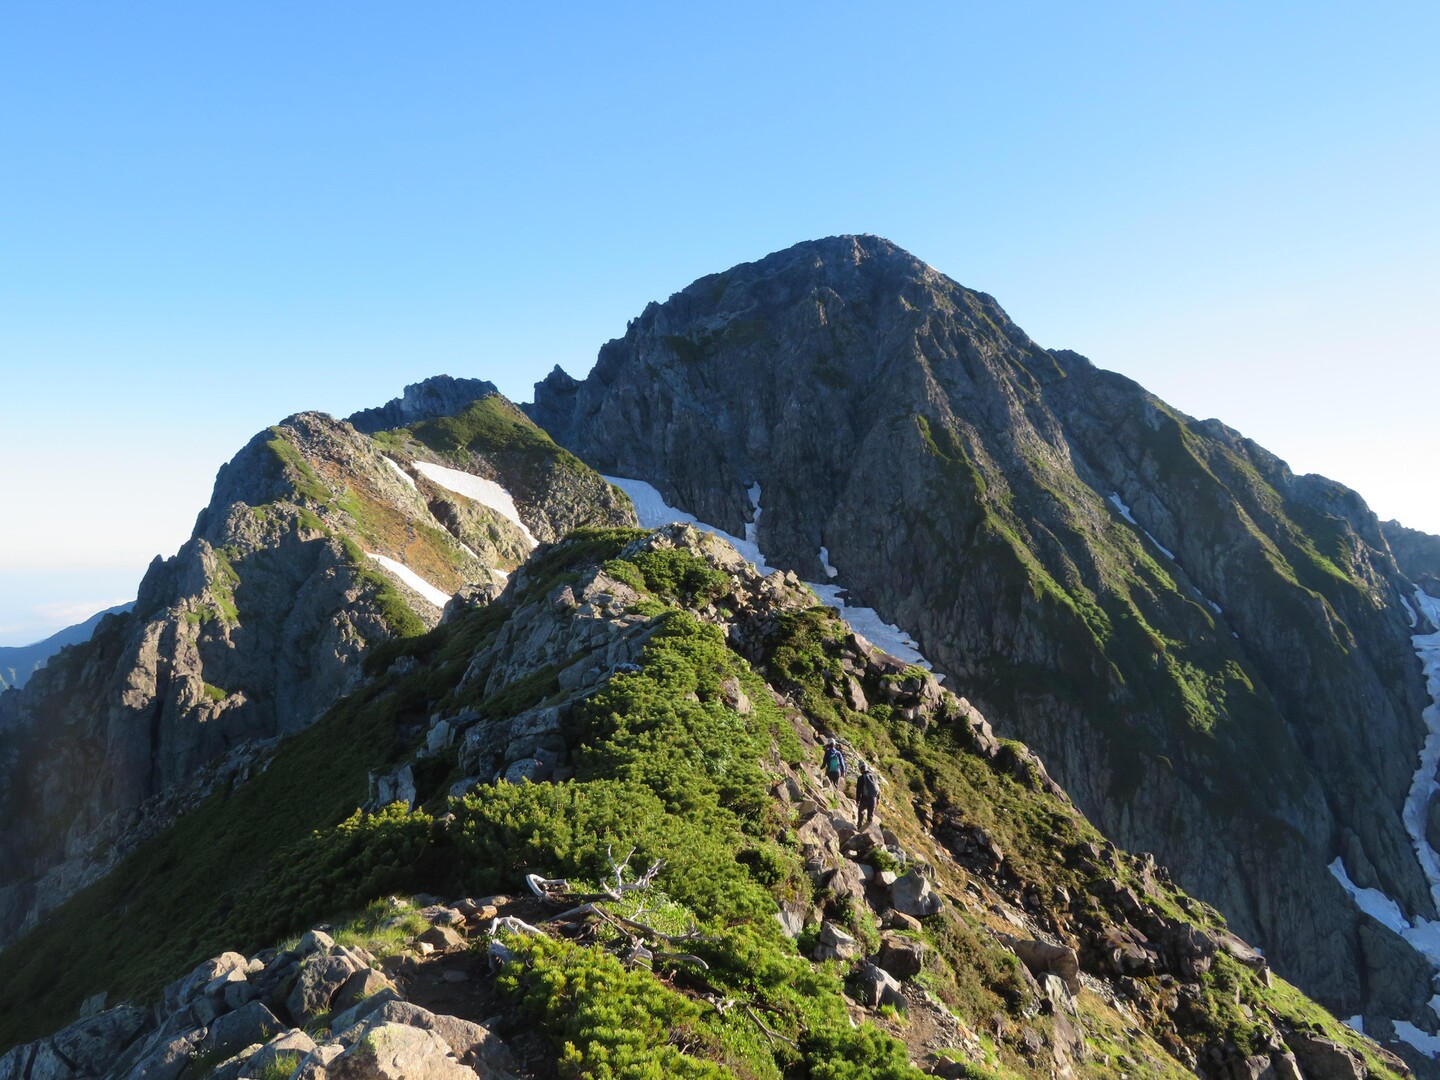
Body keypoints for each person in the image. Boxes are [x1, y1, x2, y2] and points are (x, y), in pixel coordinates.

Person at [855, 763, 879, 828]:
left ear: (860, 769)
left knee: (861, 810)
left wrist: (857, 800)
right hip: (874, 798)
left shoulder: (861, 778)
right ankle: (868, 831)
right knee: (870, 816)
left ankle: (859, 826)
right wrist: (878, 799)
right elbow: (877, 787)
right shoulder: (874, 776)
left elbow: (858, 790)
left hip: (865, 798)